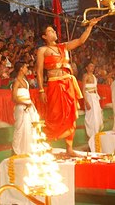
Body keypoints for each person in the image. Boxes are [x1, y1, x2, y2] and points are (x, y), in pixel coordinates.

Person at [36, 19, 100, 156]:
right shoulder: (42, 50)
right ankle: (45, 144)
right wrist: (41, 89)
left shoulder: (63, 47)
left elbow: (80, 41)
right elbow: (39, 72)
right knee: (54, 115)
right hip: (54, 84)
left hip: (68, 84)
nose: (53, 32)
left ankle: (69, 149)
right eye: (50, 31)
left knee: (70, 116)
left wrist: (90, 27)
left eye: (53, 30)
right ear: (44, 36)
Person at [12, 61, 39, 155]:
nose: (27, 69)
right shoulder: (16, 82)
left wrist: (29, 103)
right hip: (21, 108)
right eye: (25, 67)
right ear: (21, 69)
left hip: (28, 106)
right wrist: (24, 103)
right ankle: (16, 150)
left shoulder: (25, 81)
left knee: (28, 128)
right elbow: (14, 98)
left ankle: (26, 149)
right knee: (19, 128)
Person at [82, 61, 103, 138]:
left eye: (93, 66)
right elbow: (83, 90)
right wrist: (86, 102)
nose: (92, 68)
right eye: (90, 66)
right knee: (91, 117)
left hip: (95, 97)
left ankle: (96, 135)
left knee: (97, 116)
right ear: (86, 68)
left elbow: (95, 88)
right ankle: (91, 136)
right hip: (89, 98)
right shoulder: (85, 76)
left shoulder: (94, 76)